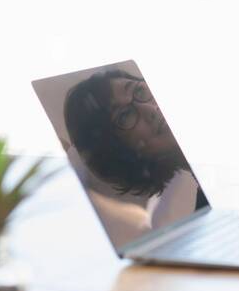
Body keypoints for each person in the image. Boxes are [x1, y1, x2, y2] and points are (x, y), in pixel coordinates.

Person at [63, 68, 208, 232]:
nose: (150, 109)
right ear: (117, 150)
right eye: (124, 115)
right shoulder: (177, 220)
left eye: (139, 90)